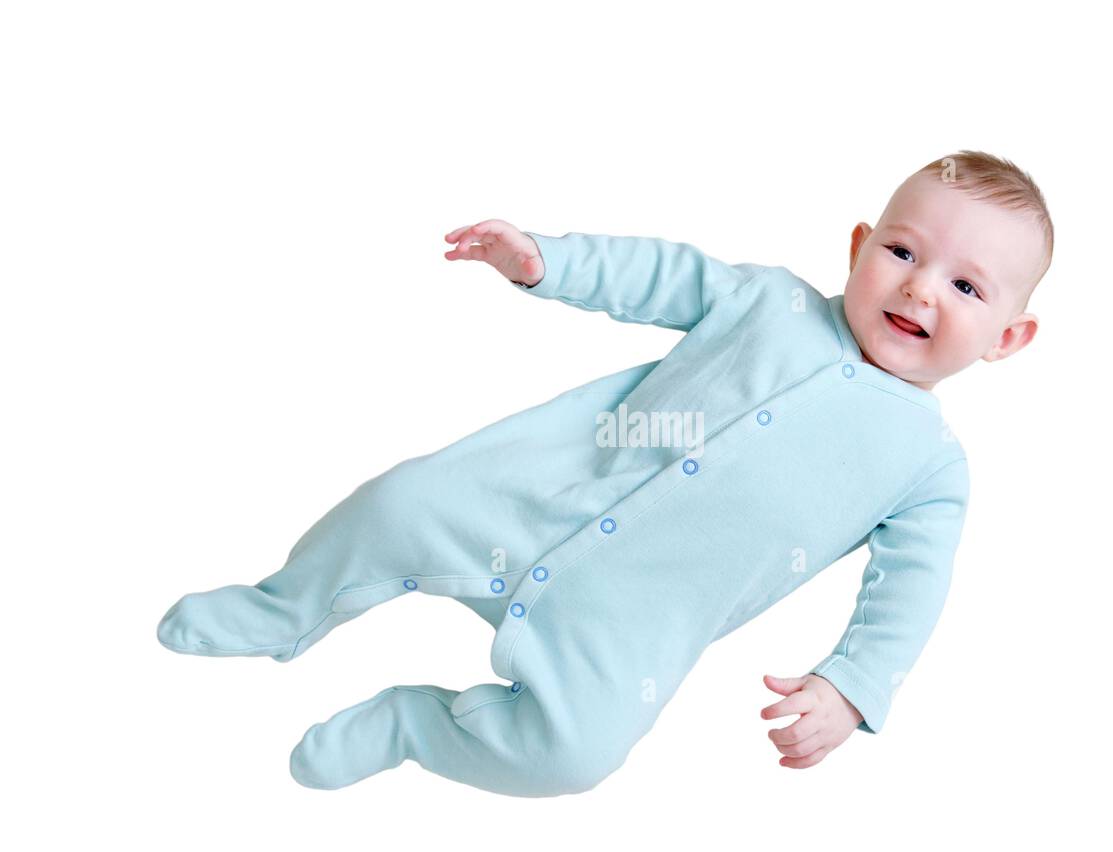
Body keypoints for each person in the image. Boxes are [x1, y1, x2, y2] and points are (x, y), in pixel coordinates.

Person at [157, 149, 1053, 797]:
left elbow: (913, 587)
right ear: (859, 245)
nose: (920, 289)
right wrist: (548, 262)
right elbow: (661, 274)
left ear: (1009, 337)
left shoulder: (928, 464)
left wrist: (854, 684)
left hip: (632, 622)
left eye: (968, 288)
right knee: (397, 503)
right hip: (536, 493)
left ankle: (414, 727)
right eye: (901, 251)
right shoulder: (771, 300)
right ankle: (282, 607)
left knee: (574, 756)